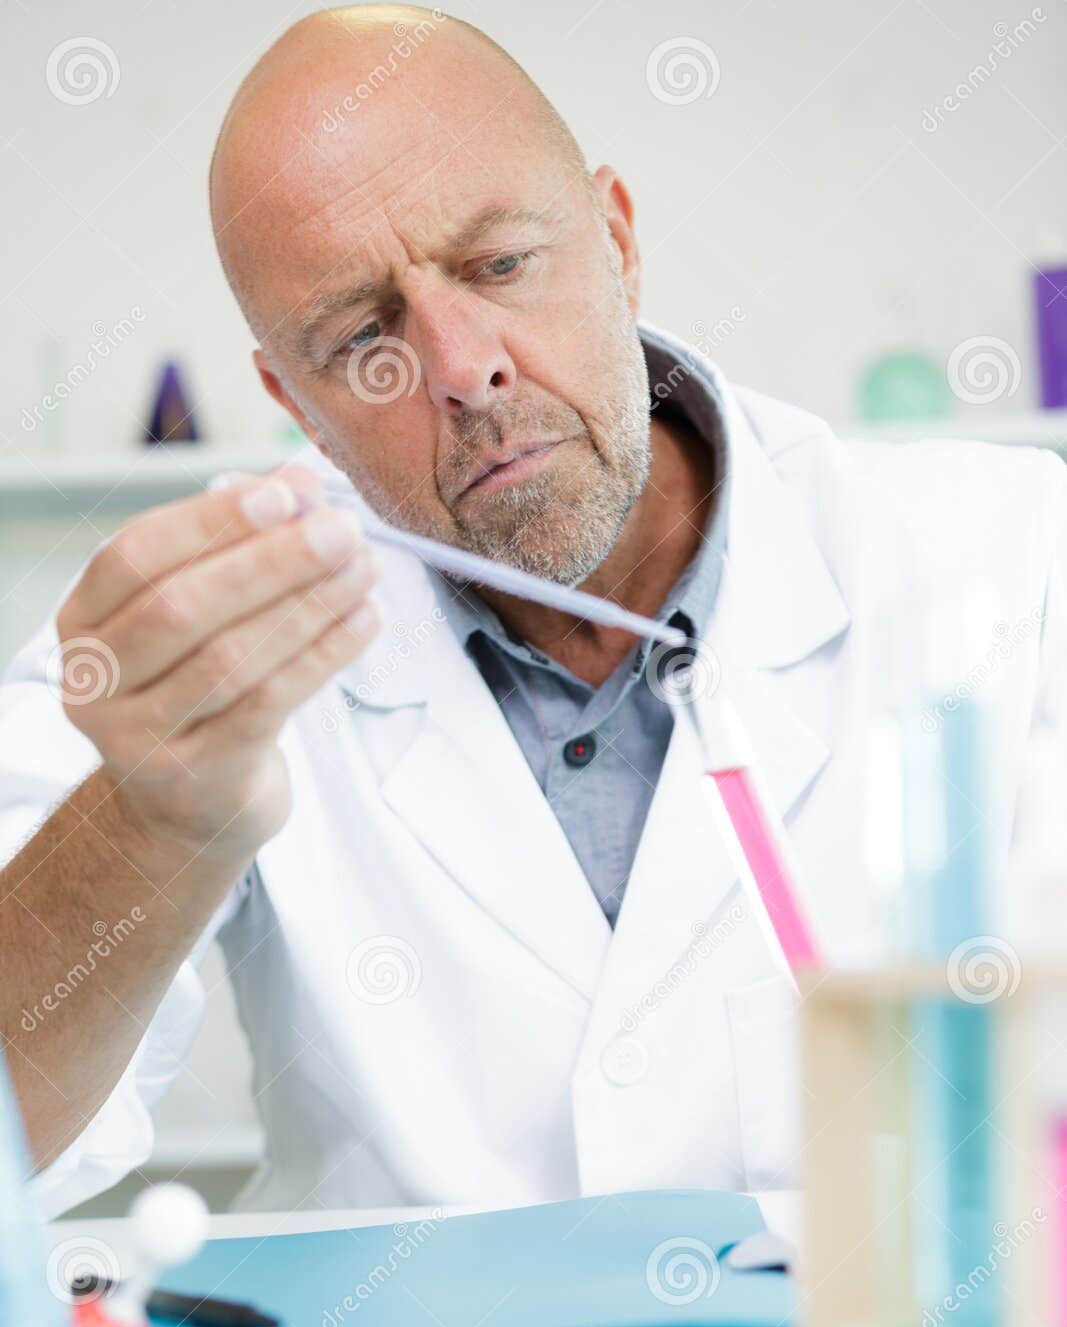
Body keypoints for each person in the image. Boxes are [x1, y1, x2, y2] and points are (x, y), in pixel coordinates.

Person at [1, 6, 1064, 1216]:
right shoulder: (196, 635)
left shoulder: (1015, 557)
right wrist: (149, 821)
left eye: (500, 264)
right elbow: (10, 1132)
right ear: (294, 403)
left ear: (615, 238)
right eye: (360, 337)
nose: (462, 368)